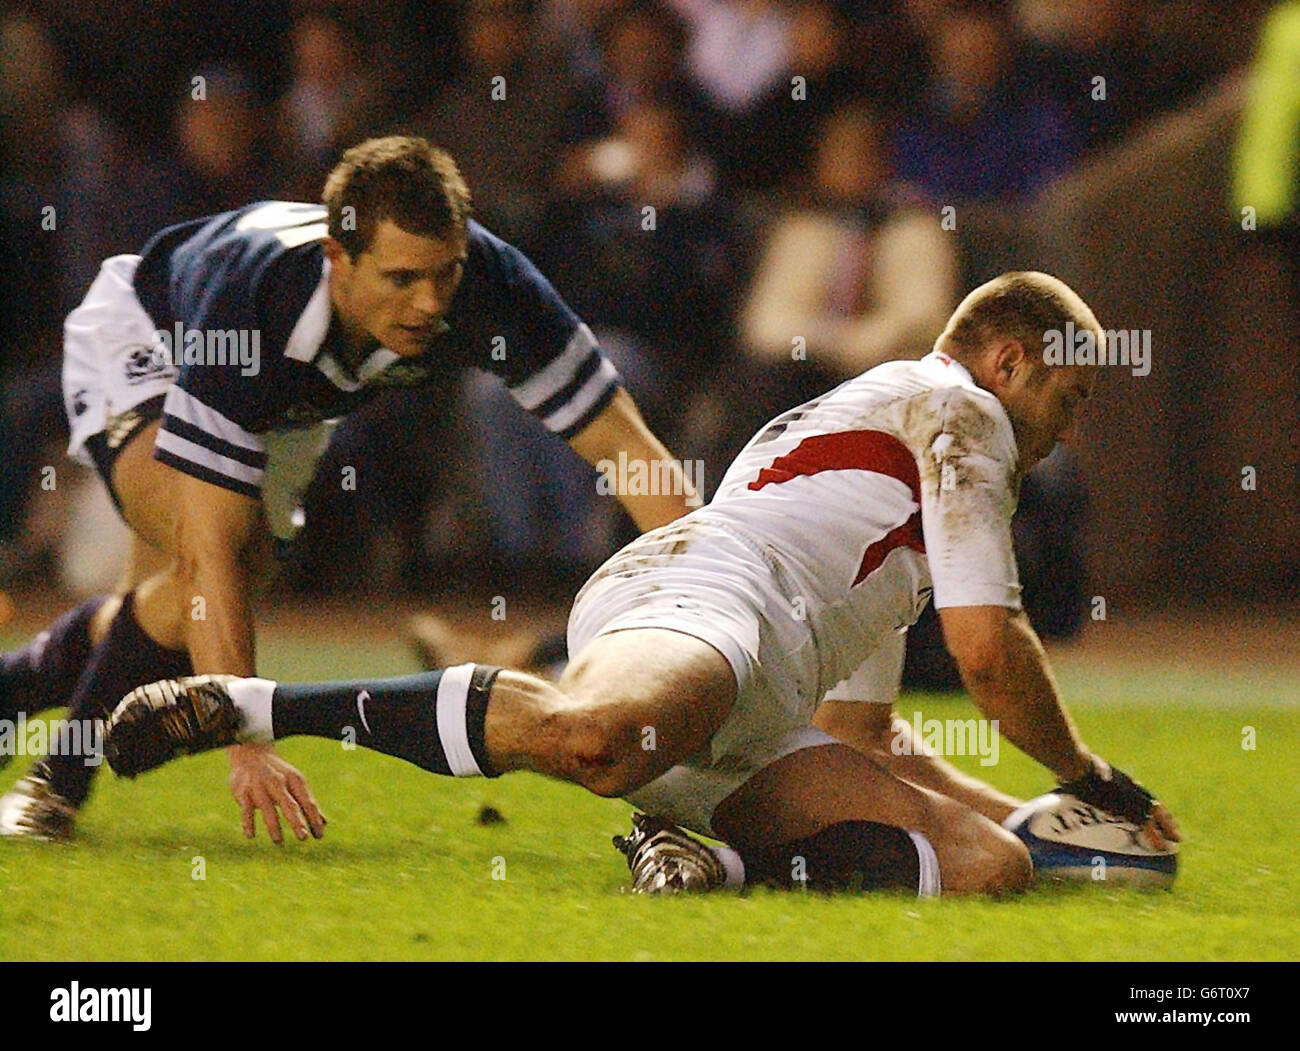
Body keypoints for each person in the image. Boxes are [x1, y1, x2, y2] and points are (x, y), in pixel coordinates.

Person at [103, 272, 1180, 896]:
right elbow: (991, 654)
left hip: (757, 701)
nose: (1064, 426)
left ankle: (701, 852)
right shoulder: (961, 417)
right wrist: (1094, 777)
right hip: (707, 592)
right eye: (1068, 395)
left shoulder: (886, 484)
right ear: (1004, 363)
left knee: (985, 867)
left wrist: (1046, 827)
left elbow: (864, 740)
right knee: (598, 741)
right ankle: (249, 705)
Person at [0, 135, 696, 842]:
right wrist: (247, 743)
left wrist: (711, 592)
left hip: (289, 402)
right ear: (338, 261)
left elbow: (625, 446)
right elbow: (208, 552)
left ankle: (14, 689)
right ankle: (55, 783)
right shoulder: (251, 300)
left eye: (444, 273)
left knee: (172, 618)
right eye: (401, 279)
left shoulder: (496, 287)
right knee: (214, 573)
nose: (429, 303)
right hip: (151, 339)